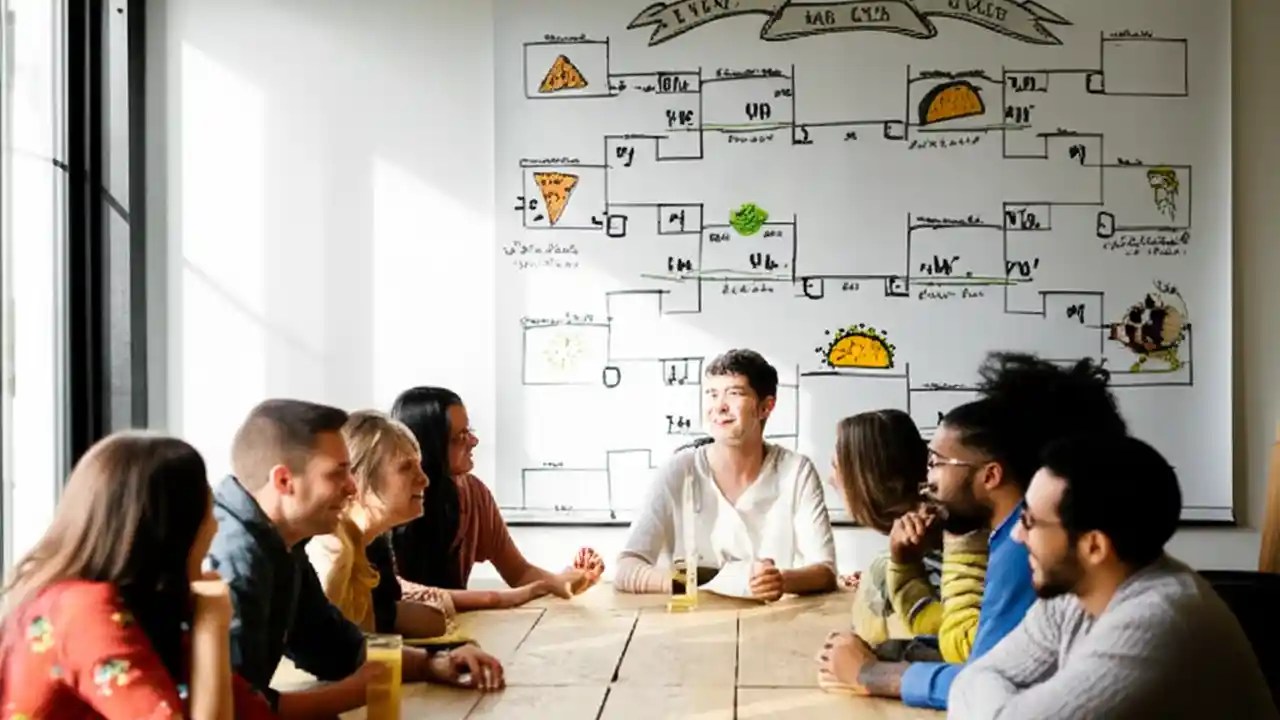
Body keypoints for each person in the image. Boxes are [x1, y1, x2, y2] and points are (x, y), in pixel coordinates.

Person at [816, 352, 1128, 710]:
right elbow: (989, 659)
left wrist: (869, 674)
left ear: (991, 475)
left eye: (936, 463)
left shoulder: (1024, 548)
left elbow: (986, 679)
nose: (926, 480)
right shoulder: (1016, 536)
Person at [205, 399, 505, 719]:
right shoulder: (235, 560)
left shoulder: (282, 544)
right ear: (283, 481)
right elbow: (239, 709)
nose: (352, 487)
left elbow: (333, 647)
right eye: (338, 474)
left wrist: (433, 664)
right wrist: (354, 692)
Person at [950, 434, 1278, 718]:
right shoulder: (1074, 596)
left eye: (1031, 521)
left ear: (1094, 546)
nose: (1017, 536)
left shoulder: (1157, 621)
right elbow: (973, 676)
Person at [0, 431, 274, 720]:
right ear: (173, 531)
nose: (216, 528)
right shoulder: (82, 609)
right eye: (208, 513)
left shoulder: (149, 608)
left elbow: (255, 714)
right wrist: (211, 627)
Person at [616, 348, 838, 599]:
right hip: (689, 627)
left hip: (775, 627)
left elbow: (826, 571)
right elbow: (627, 568)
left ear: (766, 407)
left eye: (734, 393)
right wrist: (702, 583)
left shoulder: (796, 471)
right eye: (712, 394)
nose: (718, 407)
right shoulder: (678, 470)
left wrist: (780, 580)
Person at [389, 387, 604, 610]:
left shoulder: (474, 494)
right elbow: (395, 593)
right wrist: (500, 598)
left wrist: (565, 581)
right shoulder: (390, 501)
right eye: (459, 436)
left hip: (451, 626)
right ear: (428, 446)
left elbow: (519, 572)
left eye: (469, 430)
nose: (473, 441)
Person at [832, 409, 987, 662]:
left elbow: (863, 650)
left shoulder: (886, 567)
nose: (831, 479)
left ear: (867, 479)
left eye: (836, 467)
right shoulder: (965, 531)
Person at [306, 410, 460, 639]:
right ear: (356, 480)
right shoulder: (331, 551)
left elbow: (364, 644)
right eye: (406, 467)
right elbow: (334, 654)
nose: (424, 479)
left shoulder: (365, 544)